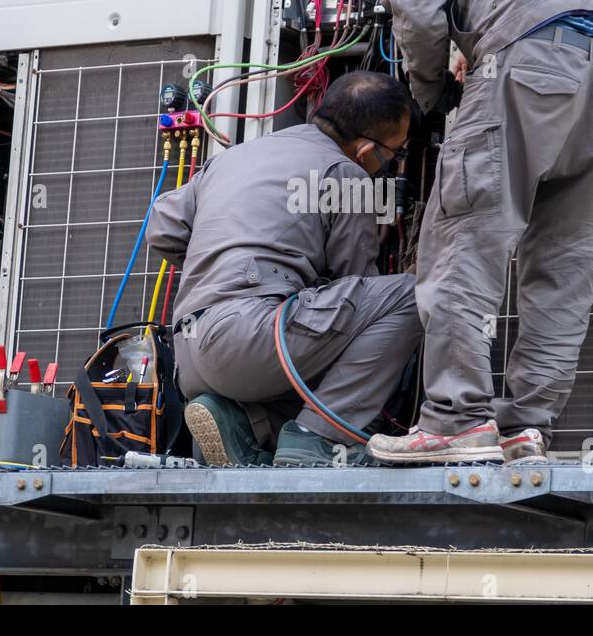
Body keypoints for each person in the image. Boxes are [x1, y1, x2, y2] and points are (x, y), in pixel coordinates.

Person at [351, 0, 593, 466]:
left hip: (526, 64)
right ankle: (524, 426)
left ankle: (455, 420)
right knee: (565, 264)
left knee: (463, 244)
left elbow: (419, 14)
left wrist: (426, 101)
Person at [147, 70, 420, 466]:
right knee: (411, 295)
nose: (390, 164)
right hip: (252, 342)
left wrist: (218, 264)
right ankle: (322, 438)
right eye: (395, 154)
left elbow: (163, 226)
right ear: (365, 149)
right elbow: (355, 285)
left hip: (188, 356)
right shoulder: (348, 177)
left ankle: (241, 421)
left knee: (304, 336)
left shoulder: (234, 156)